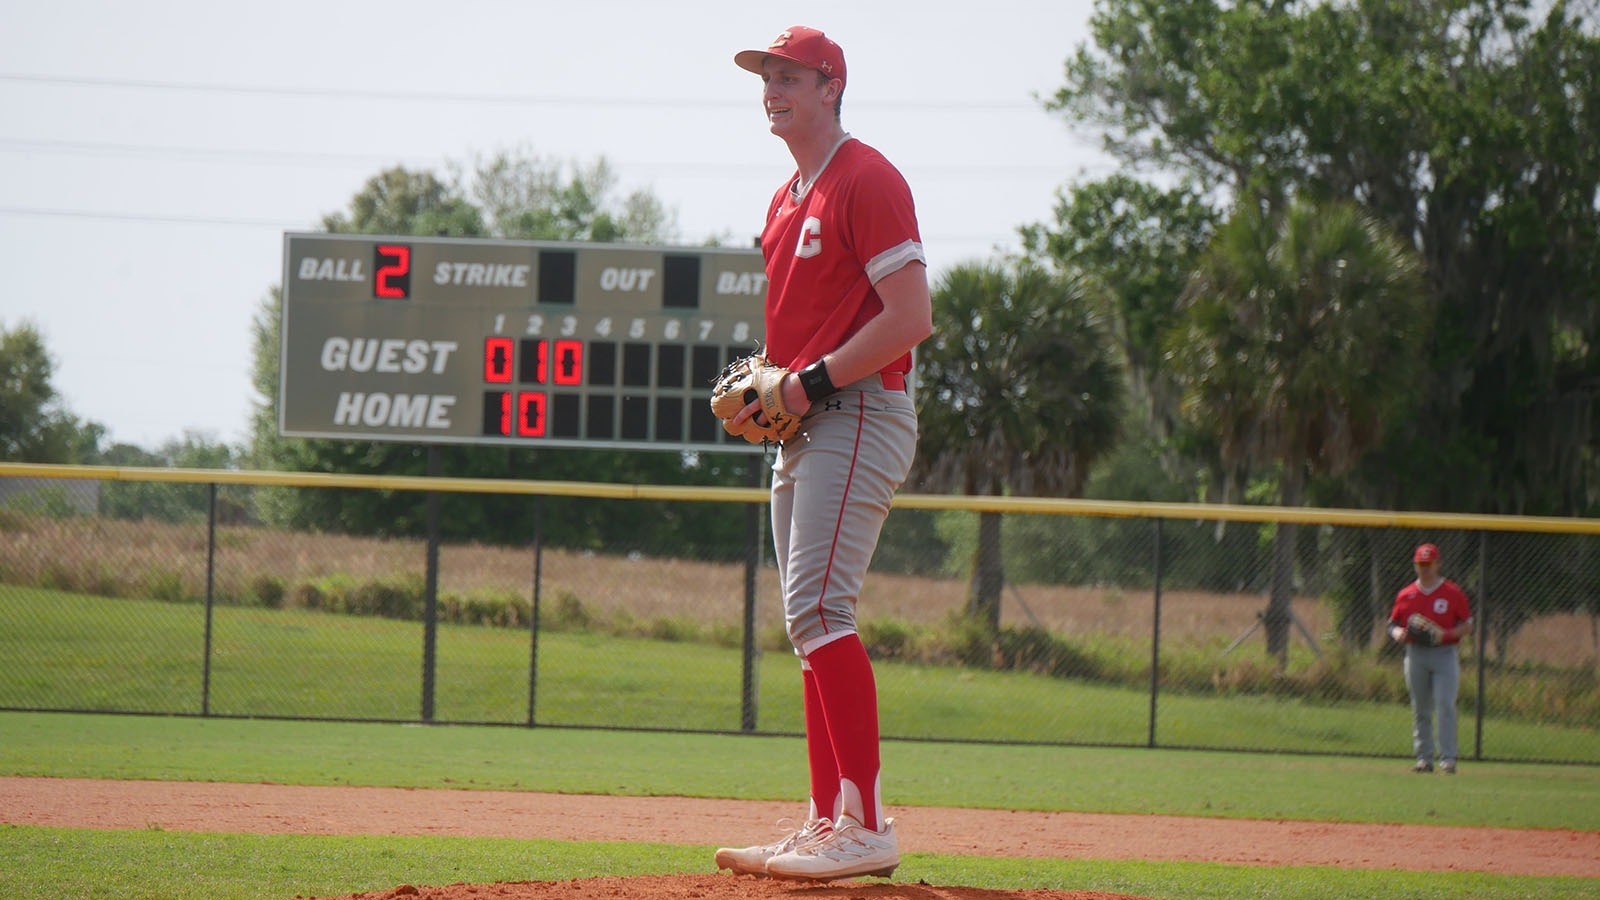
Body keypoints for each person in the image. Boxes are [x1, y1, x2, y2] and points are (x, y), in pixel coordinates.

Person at [712, 25, 932, 882]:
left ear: (832, 85)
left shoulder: (866, 177)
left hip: (860, 411)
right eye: (766, 76)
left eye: (791, 77)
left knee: (820, 614)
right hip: (810, 422)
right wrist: (781, 383)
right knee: (809, 627)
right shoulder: (783, 198)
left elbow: (909, 318)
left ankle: (868, 824)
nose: (773, 88)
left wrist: (804, 383)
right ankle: (825, 820)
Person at [1386, 543, 1474, 774]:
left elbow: (1467, 624)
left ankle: (1448, 759)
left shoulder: (1452, 592)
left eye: (1429, 564)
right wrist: (1399, 635)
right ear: (1415, 565)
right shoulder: (1407, 594)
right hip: (1416, 654)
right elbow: (1392, 624)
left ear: (1438, 564)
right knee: (1421, 708)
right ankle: (1424, 759)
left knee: (1445, 704)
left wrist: (1447, 634)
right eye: (1421, 564)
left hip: (1444, 654)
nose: (1425, 569)